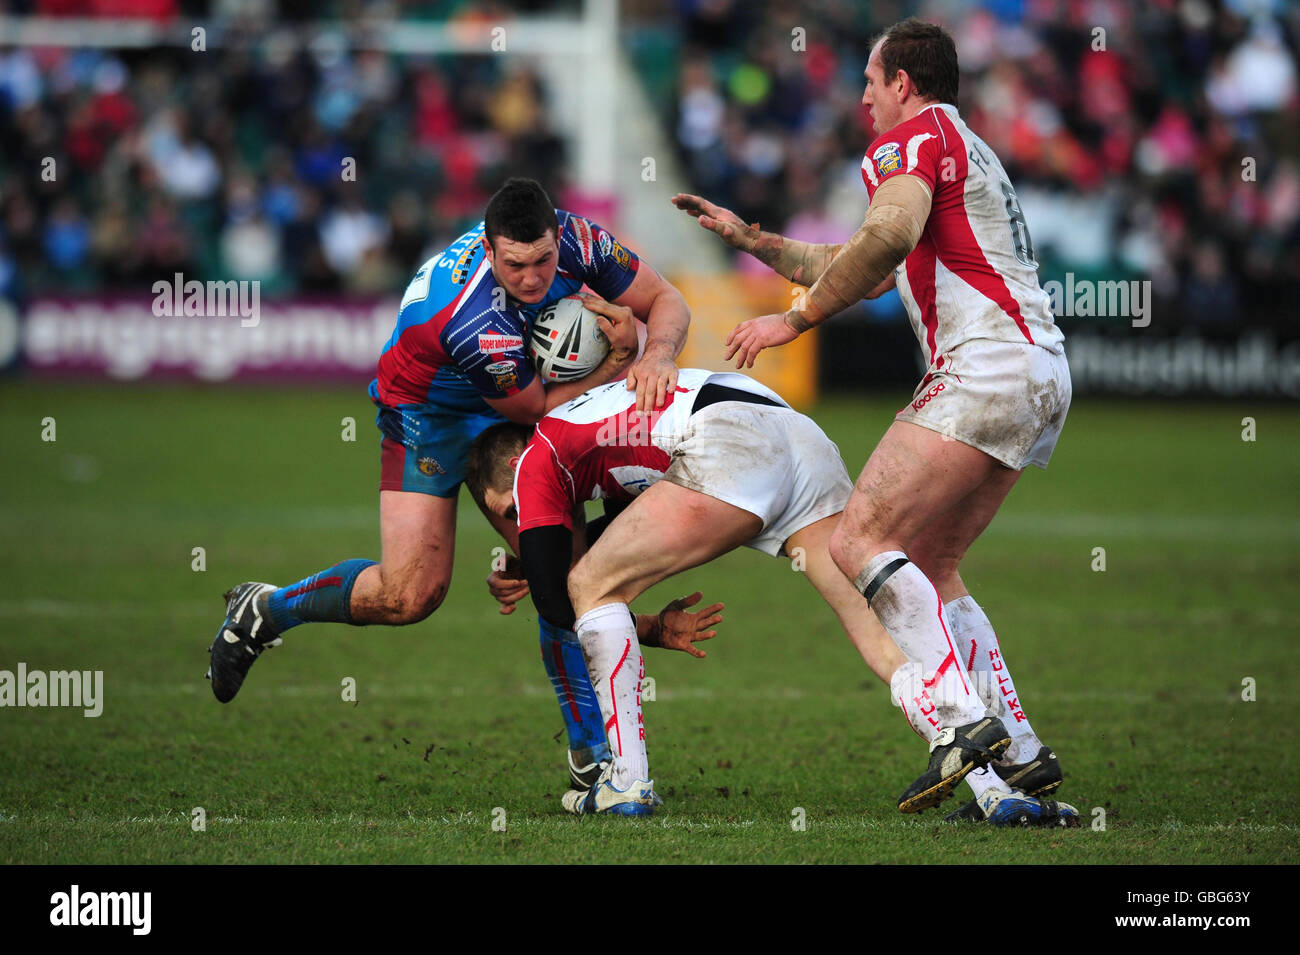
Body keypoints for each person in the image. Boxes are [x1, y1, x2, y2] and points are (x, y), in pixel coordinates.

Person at [672, 18, 1079, 826]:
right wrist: (751, 239)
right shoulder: (961, 145)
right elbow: (862, 256)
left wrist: (792, 322)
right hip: (1039, 371)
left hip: (984, 366)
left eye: (870, 80)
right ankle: (1023, 751)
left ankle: (964, 725)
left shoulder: (912, 139)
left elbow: (885, 236)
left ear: (904, 83)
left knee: (858, 541)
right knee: (931, 558)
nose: (860, 97)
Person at [206, 175, 692, 766]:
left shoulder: (581, 239)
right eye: (516, 266)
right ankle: (267, 609)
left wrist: (659, 352)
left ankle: (592, 757)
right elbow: (536, 407)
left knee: (563, 566)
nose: (534, 278)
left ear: (556, 238)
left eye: (543, 259)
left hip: (516, 402)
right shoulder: (472, 319)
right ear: (489, 252)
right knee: (409, 594)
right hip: (428, 413)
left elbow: (666, 299)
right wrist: (620, 359)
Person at [469, 367, 945, 816]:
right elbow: (617, 535)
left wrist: (647, 626)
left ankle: (627, 783)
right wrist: (539, 563)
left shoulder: (536, 458)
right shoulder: (599, 444)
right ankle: (980, 754)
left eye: (512, 512)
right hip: (794, 431)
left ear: (515, 463)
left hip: (726, 438)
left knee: (588, 587)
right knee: (869, 623)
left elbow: (556, 605)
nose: (521, 525)